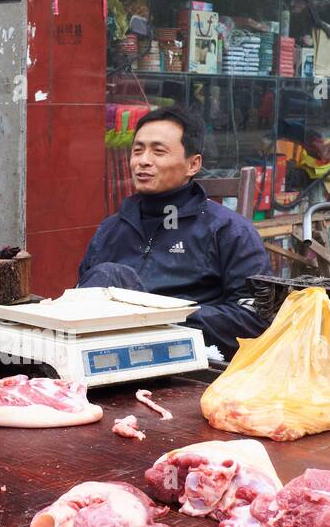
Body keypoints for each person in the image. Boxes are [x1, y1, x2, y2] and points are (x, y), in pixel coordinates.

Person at [77, 106, 272, 358]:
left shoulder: (228, 230)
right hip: (104, 359)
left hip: (190, 366)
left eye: (158, 151)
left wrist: (164, 320)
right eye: (138, 150)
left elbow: (254, 317)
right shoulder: (111, 229)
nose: (143, 161)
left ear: (193, 164)